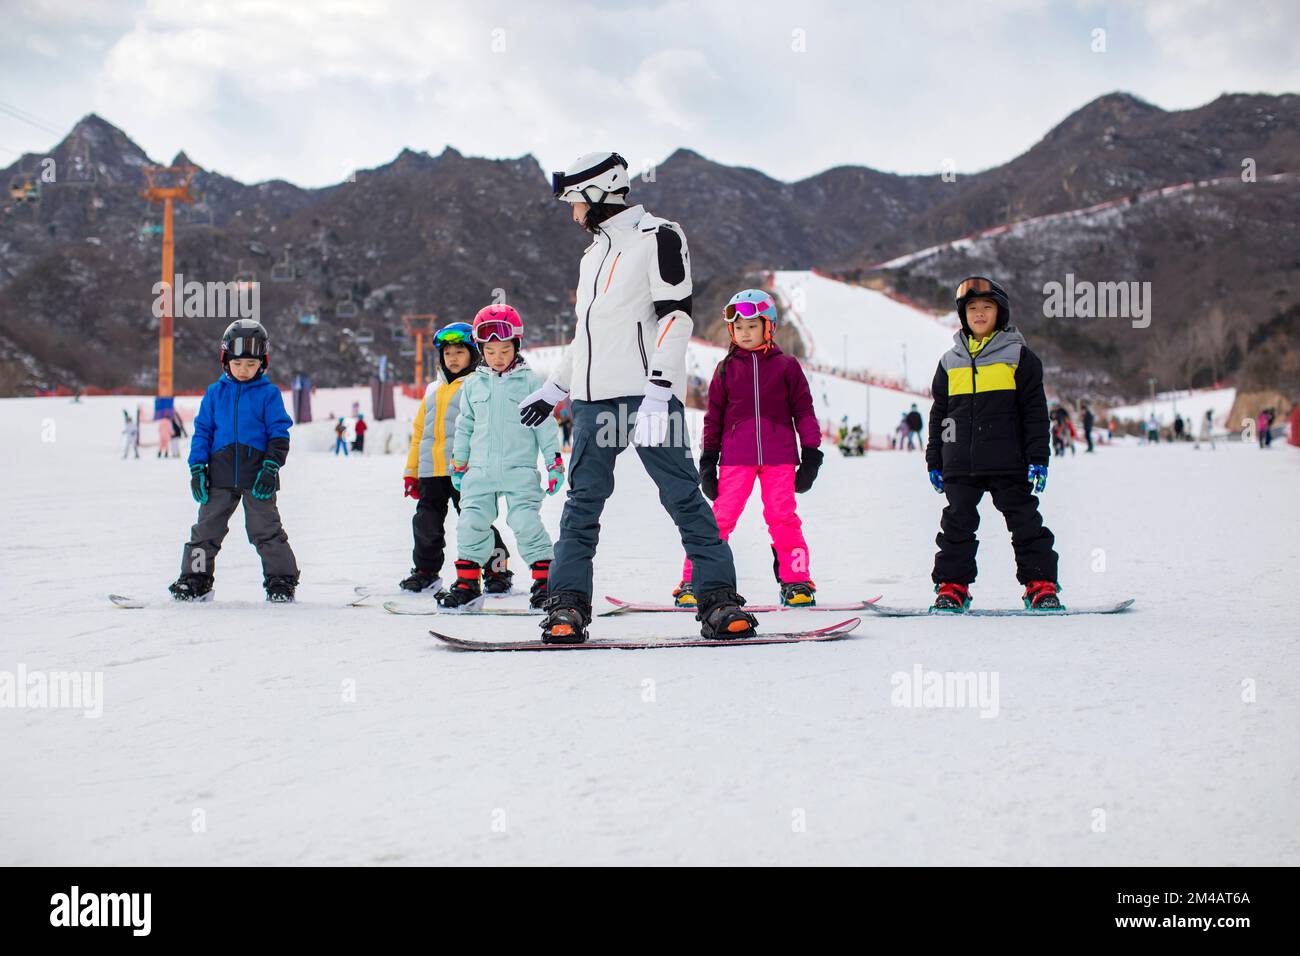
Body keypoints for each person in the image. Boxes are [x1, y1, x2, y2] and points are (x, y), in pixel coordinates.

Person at [518, 151, 756, 642]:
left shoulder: (660, 236)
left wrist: (659, 391)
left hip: (648, 398)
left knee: (683, 498)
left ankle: (718, 602)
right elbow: (587, 337)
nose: (572, 213)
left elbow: (675, 318)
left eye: (574, 203)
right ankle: (567, 606)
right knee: (581, 505)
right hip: (593, 404)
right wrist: (554, 387)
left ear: (597, 194)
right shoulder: (592, 255)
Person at [673, 289, 822, 608]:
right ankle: (694, 578)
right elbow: (713, 418)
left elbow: (805, 412)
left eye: (752, 326)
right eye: (739, 327)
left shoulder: (787, 367)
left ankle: (796, 581)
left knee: (782, 517)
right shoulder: (725, 370)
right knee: (720, 519)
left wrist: (811, 454)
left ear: (769, 327)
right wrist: (707, 462)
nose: (745, 333)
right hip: (735, 458)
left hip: (779, 456)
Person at [925, 276, 1062, 612]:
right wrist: (936, 458)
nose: (980, 314)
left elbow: (1034, 412)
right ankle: (953, 587)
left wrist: (1038, 458)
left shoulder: (1019, 357)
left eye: (987, 307)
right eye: (973, 308)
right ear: (963, 315)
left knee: (1025, 523)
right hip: (960, 463)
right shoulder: (949, 362)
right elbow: (942, 415)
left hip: (1008, 461)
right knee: (956, 527)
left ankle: (1041, 585)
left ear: (1000, 313)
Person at [439, 306, 563, 610]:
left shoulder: (532, 384)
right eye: (490, 350)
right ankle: (468, 584)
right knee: (470, 524)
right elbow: (465, 425)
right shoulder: (473, 385)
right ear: (481, 350)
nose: (497, 356)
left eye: (505, 349)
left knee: (525, 523)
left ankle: (545, 584)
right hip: (479, 472)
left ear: (517, 346)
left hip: (519, 471)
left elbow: (545, 427)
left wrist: (553, 462)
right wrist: (458, 461)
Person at [169, 319, 299, 602]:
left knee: (265, 531)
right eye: (238, 363)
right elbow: (203, 432)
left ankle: (280, 581)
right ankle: (195, 580)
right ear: (225, 360)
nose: (244, 370)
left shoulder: (268, 394)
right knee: (206, 531)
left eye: (251, 364)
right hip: (219, 474)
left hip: (258, 477)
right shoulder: (215, 393)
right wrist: (197, 468)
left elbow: (279, 434)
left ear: (262, 363)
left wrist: (270, 467)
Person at [400, 321, 513, 594]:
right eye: (448, 354)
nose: (452, 358)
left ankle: (497, 571)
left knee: (475, 521)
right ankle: (426, 571)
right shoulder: (433, 391)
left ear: (473, 354)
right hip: (432, 471)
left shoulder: (478, 386)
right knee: (426, 523)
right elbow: (420, 434)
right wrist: (411, 471)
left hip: (467, 470)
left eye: (459, 353)